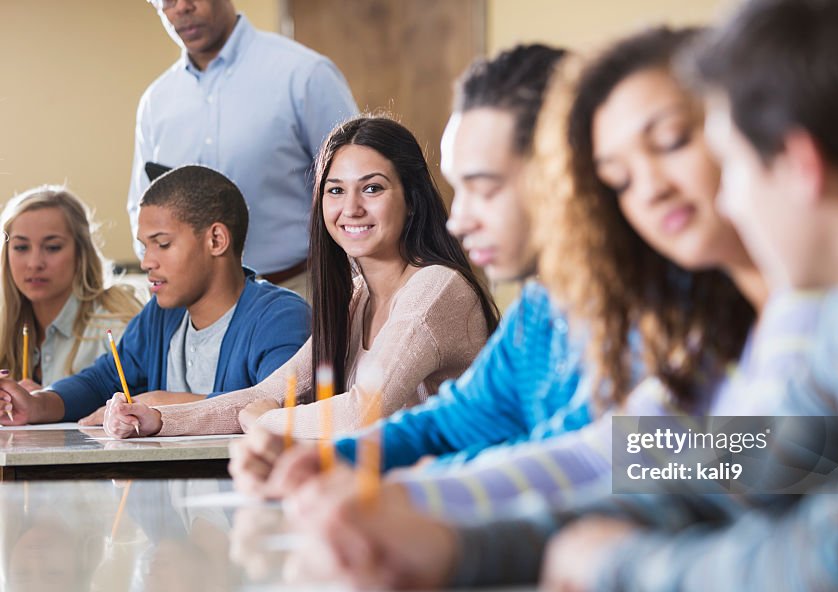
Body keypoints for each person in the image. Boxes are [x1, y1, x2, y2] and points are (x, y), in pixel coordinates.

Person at [286, 0, 838, 592]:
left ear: (800, 165)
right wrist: (458, 548)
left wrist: (611, 565)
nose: (725, 203)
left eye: (727, 165)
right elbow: (715, 469)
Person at [224, 44, 611, 496]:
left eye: (483, 188)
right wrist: (323, 462)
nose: (460, 218)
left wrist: (428, 506)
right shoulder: (541, 311)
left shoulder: (673, 307)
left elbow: (693, 468)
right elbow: (451, 424)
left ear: (564, 173)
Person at [105, 116, 498, 442]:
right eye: (335, 190)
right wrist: (155, 419)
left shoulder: (435, 287)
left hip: (454, 506)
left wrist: (266, 421)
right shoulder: (357, 299)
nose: (351, 208)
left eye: (372, 188)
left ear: (411, 200)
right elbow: (266, 394)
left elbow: (362, 413)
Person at [0, 165, 310, 425]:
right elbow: (100, 381)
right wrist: (38, 404)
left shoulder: (280, 317)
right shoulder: (161, 315)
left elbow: (278, 406)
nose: (147, 261)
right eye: (144, 246)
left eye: (161, 244)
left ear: (216, 240)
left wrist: (161, 405)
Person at [129, 0, 358, 298]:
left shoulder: (305, 75)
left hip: (298, 291)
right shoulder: (156, 102)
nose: (182, 7)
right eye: (167, 0)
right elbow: (141, 206)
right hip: (195, 305)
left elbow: (358, 185)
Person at [0, 186, 142, 389]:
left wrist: (49, 403)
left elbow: (144, 407)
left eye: (52, 247)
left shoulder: (114, 326)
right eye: (21, 247)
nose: (34, 263)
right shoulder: (5, 326)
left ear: (81, 252)